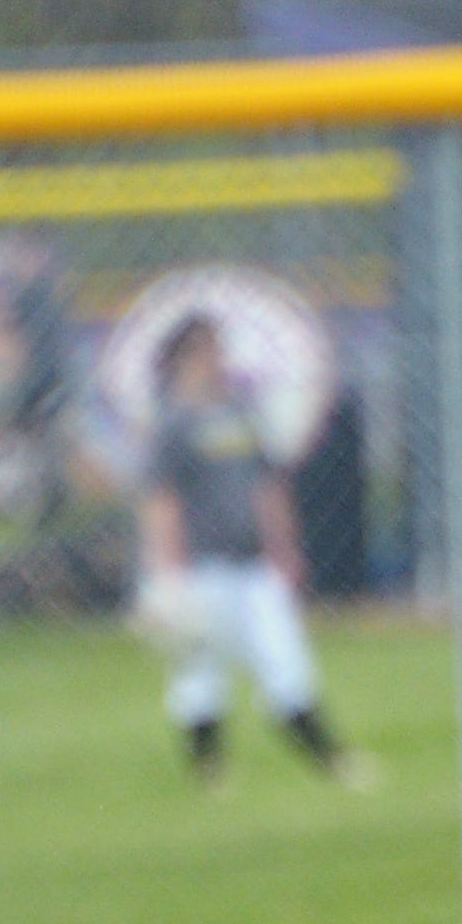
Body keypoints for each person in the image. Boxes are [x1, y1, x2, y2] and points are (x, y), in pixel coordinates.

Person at [133, 312, 369, 786]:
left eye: (219, 350)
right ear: (183, 361)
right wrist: (167, 572)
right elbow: (162, 501)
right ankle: (210, 771)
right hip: (201, 567)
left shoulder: (241, 413)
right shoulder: (173, 424)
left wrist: (286, 549)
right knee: (199, 674)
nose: (218, 361)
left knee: (285, 658)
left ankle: (334, 760)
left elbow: (268, 487)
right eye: (207, 351)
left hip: (254, 564)